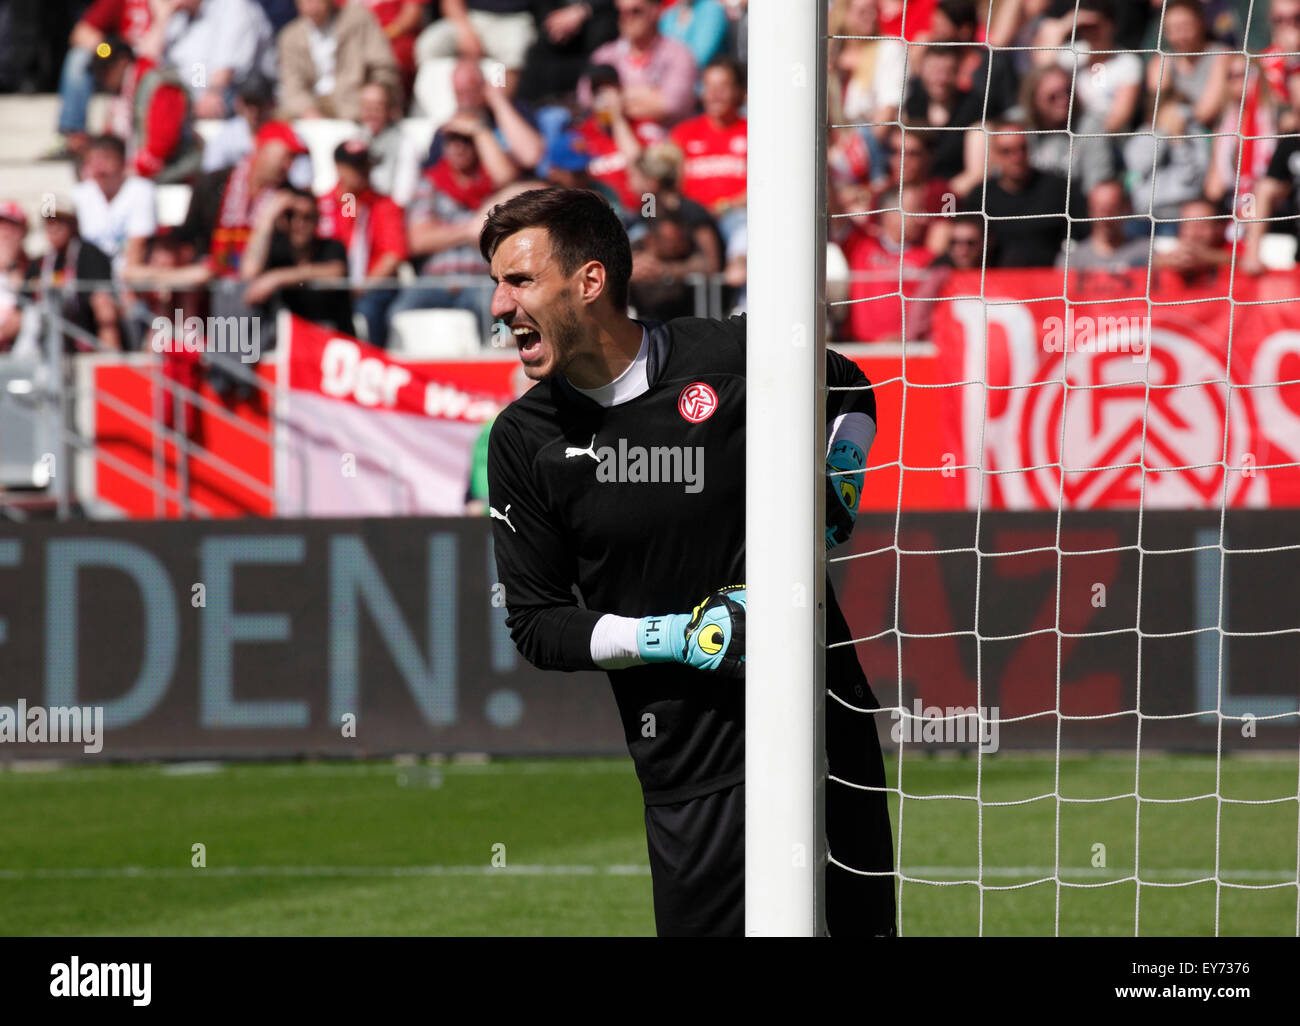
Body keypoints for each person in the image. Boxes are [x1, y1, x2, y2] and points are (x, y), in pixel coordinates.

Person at [481, 187, 896, 937]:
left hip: (821, 717)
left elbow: (850, 386)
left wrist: (840, 478)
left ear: (589, 282)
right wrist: (677, 637)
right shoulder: (523, 440)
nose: (498, 305)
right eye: (495, 284)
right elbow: (539, 624)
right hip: (686, 758)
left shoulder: (725, 353)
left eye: (518, 281)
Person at [316, 140, 408, 347]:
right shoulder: (319, 206)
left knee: (367, 312)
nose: (364, 171)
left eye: (366, 164)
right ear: (339, 168)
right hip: (329, 287)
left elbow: (393, 256)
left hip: (371, 291)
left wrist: (359, 287)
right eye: (356, 165)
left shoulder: (385, 206)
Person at [240, 185, 353, 342]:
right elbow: (249, 271)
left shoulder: (332, 246)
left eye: (307, 217)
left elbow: (335, 271)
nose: (299, 224)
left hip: (333, 342)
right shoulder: (277, 250)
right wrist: (269, 217)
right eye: (291, 216)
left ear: (317, 220)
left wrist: (276, 278)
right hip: (291, 345)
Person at [579, 0, 698, 142]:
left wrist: (614, 99)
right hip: (612, 148)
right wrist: (651, 94)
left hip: (663, 147)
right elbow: (586, 97)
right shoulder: (604, 55)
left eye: (636, 11)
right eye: (621, 12)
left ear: (655, 11)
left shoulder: (678, 54)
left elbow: (671, 104)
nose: (627, 17)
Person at [90, 36, 202, 184]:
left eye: (105, 70)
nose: (101, 77)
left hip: (173, 175)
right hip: (141, 177)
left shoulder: (160, 84)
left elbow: (163, 145)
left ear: (123, 62)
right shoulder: (121, 96)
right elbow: (111, 141)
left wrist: (126, 174)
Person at [277, 0, 401, 120]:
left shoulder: (358, 20)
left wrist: (378, 89)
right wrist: (307, 109)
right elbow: (292, 86)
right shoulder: (290, 37)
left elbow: (383, 65)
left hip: (355, 107)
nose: (312, 5)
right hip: (310, 113)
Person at [26, 199, 122, 353]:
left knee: (103, 304)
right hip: (48, 327)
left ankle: (111, 361)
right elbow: (26, 298)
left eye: (60, 222)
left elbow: (101, 297)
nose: (54, 228)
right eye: (49, 223)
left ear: (73, 224)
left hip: (85, 326)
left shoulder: (90, 254)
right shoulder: (41, 262)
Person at [72, 134, 156, 277]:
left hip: (127, 277)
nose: (99, 167)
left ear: (123, 162)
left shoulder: (141, 190)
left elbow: (137, 248)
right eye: (94, 160)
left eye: (106, 158)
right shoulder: (79, 193)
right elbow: (48, 206)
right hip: (89, 278)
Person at [415, 0, 538, 95]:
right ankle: (431, 107)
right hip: (469, 17)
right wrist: (465, 32)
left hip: (512, 20)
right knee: (430, 45)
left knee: (510, 53)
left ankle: (496, 107)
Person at [1057, 181, 1149, 273]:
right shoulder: (1072, 260)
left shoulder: (1146, 253)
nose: (1104, 216)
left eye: (1111, 209)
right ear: (1089, 210)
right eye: (1099, 209)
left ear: (1125, 209)